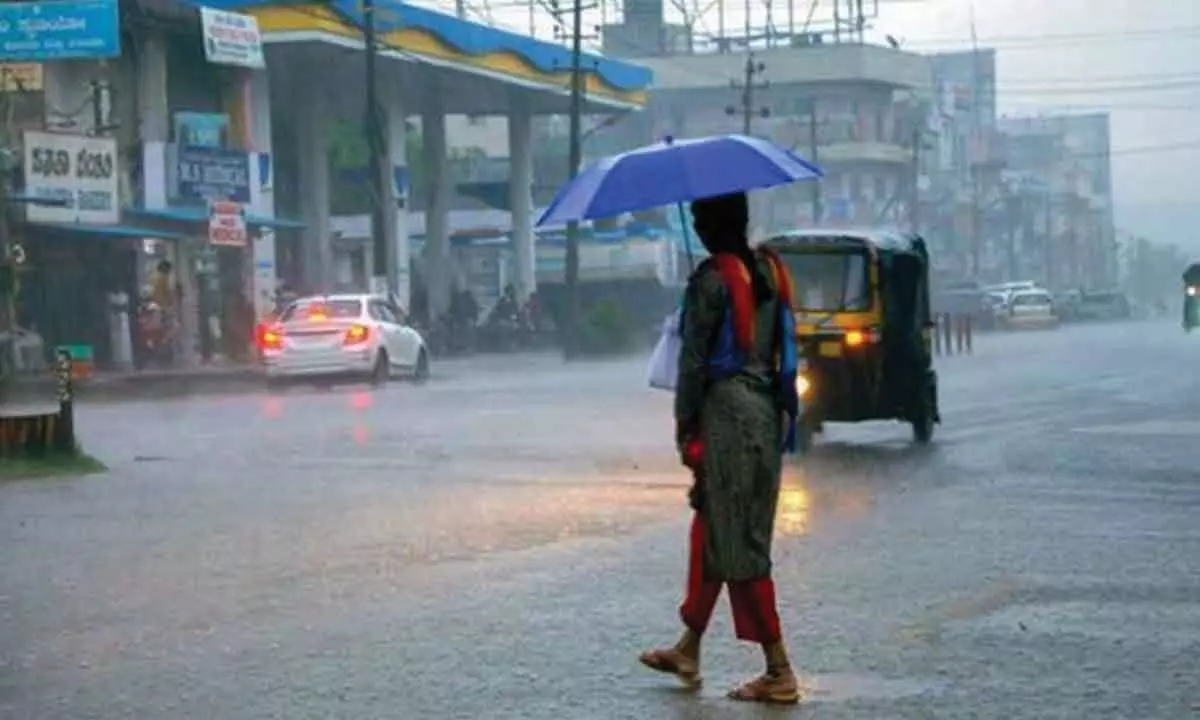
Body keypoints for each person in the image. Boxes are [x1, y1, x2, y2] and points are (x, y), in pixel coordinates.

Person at [638, 191, 802, 704]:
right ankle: (689, 645)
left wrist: (685, 425)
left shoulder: (711, 281)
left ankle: (779, 669)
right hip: (765, 412)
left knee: (740, 543)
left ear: (711, 224)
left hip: (727, 417)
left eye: (698, 216)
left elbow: (692, 363)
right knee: (714, 527)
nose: (696, 224)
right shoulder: (772, 271)